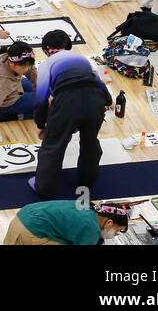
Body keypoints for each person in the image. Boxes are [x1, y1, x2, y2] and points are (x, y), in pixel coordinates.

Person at [29, 29, 110, 197]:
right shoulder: (81, 59)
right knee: (90, 142)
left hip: (67, 100)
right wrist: (108, 101)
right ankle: (87, 179)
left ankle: (43, 188)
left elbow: (41, 99)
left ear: (46, 50)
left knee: (53, 147)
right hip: (95, 99)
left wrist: (41, 124)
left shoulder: (46, 65)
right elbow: (99, 83)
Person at [0, 41, 38, 150]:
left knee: (43, 90)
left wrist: (39, 88)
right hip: (8, 103)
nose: (27, 69)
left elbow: (31, 70)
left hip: (14, 87)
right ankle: (21, 114)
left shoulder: (8, 56)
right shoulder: (3, 82)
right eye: (24, 67)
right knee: (44, 99)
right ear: (12, 64)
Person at [4, 200, 130, 245]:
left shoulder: (87, 207)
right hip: (29, 232)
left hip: (21, 217)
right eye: (117, 231)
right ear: (109, 222)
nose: (115, 235)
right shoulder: (91, 230)